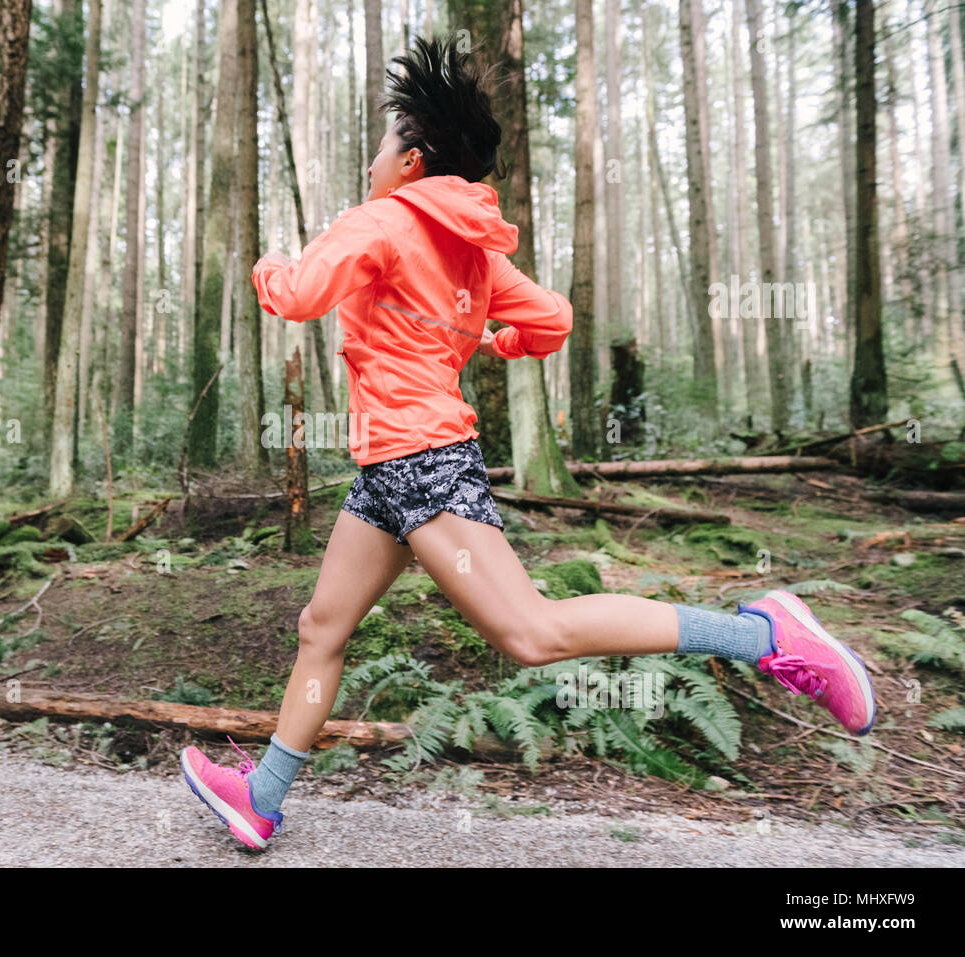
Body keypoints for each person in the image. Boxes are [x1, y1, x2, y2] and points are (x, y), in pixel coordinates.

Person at [179, 35, 876, 851]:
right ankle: (261, 796)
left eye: (381, 146)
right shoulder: (473, 251)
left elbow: (296, 295)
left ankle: (765, 636)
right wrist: (491, 344)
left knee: (531, 633)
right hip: (388, 471)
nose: (372, 160)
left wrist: (268, 262)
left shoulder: (379, 221)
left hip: (418, 464)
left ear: (412, 159)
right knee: (321, 627)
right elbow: (552, 320)